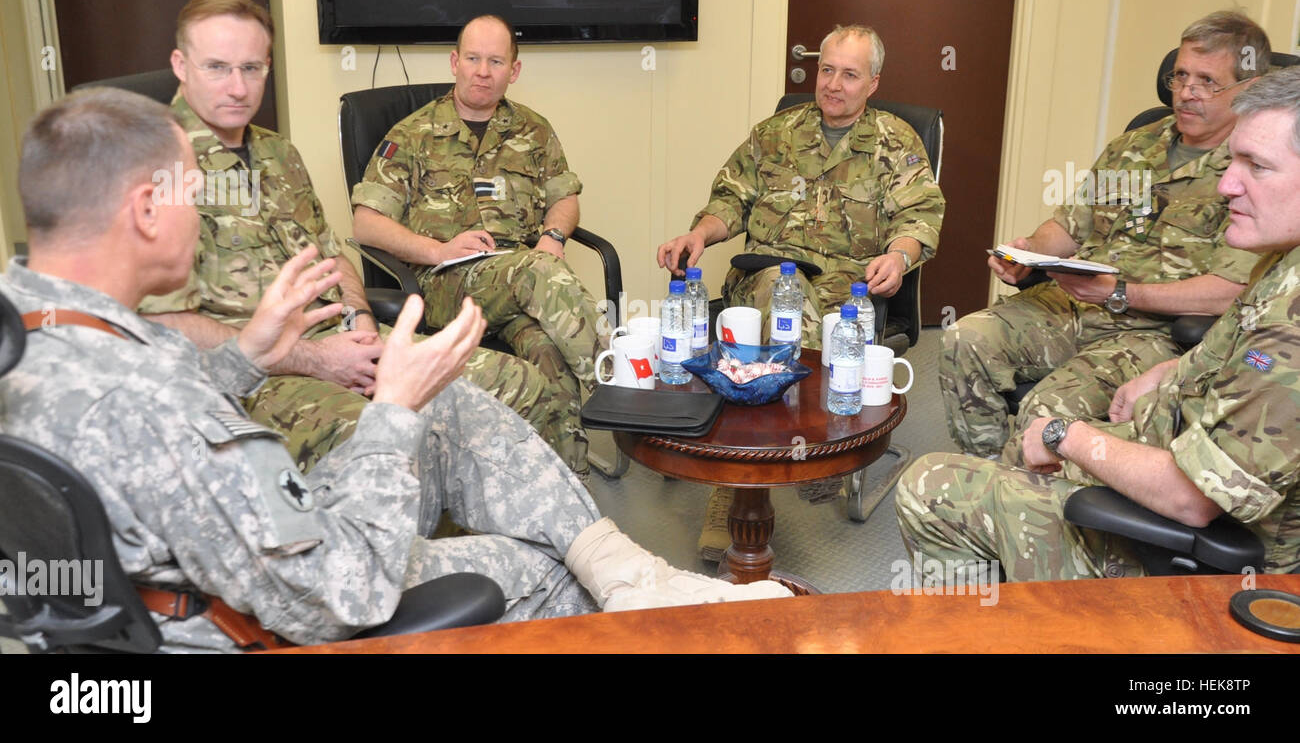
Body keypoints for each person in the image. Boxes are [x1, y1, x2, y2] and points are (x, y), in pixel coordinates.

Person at [0, 87, 792, 652]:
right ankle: (664, 611)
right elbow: (339, 590)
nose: (202, 203)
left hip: (218, 559)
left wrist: (250, 357)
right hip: (260, 608)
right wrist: (391, 410)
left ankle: (633, 570)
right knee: (537, 566)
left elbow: (149, 469)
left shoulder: (33, 322)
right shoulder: (143, 400)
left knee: (458, 408)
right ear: (145, 208)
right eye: (191, 192)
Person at [136, 0, 587, 474]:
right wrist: (316, 359)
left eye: (251, 68)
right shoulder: (151, 165)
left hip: (343, 343)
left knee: (522, 385)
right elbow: (163, 327)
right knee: (407, 443)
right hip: (258, 380)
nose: (237, 87)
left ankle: (551, 538)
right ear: (180, 65)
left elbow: (333, 256)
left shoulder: (277, 153)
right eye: (217, 68)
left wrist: (361, 328)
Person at [895, 65, 1300, 582]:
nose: (1227, 184)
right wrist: (1165, 376)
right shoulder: (1281, 261)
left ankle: (1017, 598)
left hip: (1200, 549)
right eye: (1180, 76)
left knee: (931, 483)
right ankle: (1004, 530)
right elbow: (1069, 225)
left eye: (1257, 166)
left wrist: (1070, 435)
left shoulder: (1289, 329)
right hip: (1151, 411)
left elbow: (1193, 499)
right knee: (978, 358)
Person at [655, 23, 944, 559]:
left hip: (847, 285)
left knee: (802, 324)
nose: (833, 84)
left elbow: (921, 215)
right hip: (766, 272)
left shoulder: (896, 142)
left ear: (873, 82)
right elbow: (730, 200)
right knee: (777, 309)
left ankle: (794, 457)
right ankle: (742, 486)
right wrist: (699, 233)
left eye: (849, 75)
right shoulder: (775, 134)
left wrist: (899, 256)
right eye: (826, 70)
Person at [941, 11, 1271, 463]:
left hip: (1154, 332)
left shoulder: (1253, 171)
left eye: (1208, 81)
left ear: (1248, 89)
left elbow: (1226, 295)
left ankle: (1021, 500)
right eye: (1180, 76)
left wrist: (1118, 292)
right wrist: (1030, 252)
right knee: (965, 338)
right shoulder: (1133, 145)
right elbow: (1069, 227)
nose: (1187, 92)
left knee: (1046, 411)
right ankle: (988, 474)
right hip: (1072, 305)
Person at [351, 14, 607, 417]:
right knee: (537, 271)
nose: (483, 72)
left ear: (514, 70)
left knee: (549, 355)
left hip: (519, 285)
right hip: (445, 284)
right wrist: (437, 251)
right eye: (473, 59)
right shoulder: (412, 134)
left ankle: (565, 474)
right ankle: (624, 384)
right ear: (455, 62)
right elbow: (366, 223)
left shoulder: (534, 130)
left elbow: (565, 196)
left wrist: (553, 236)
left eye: (496, 62)